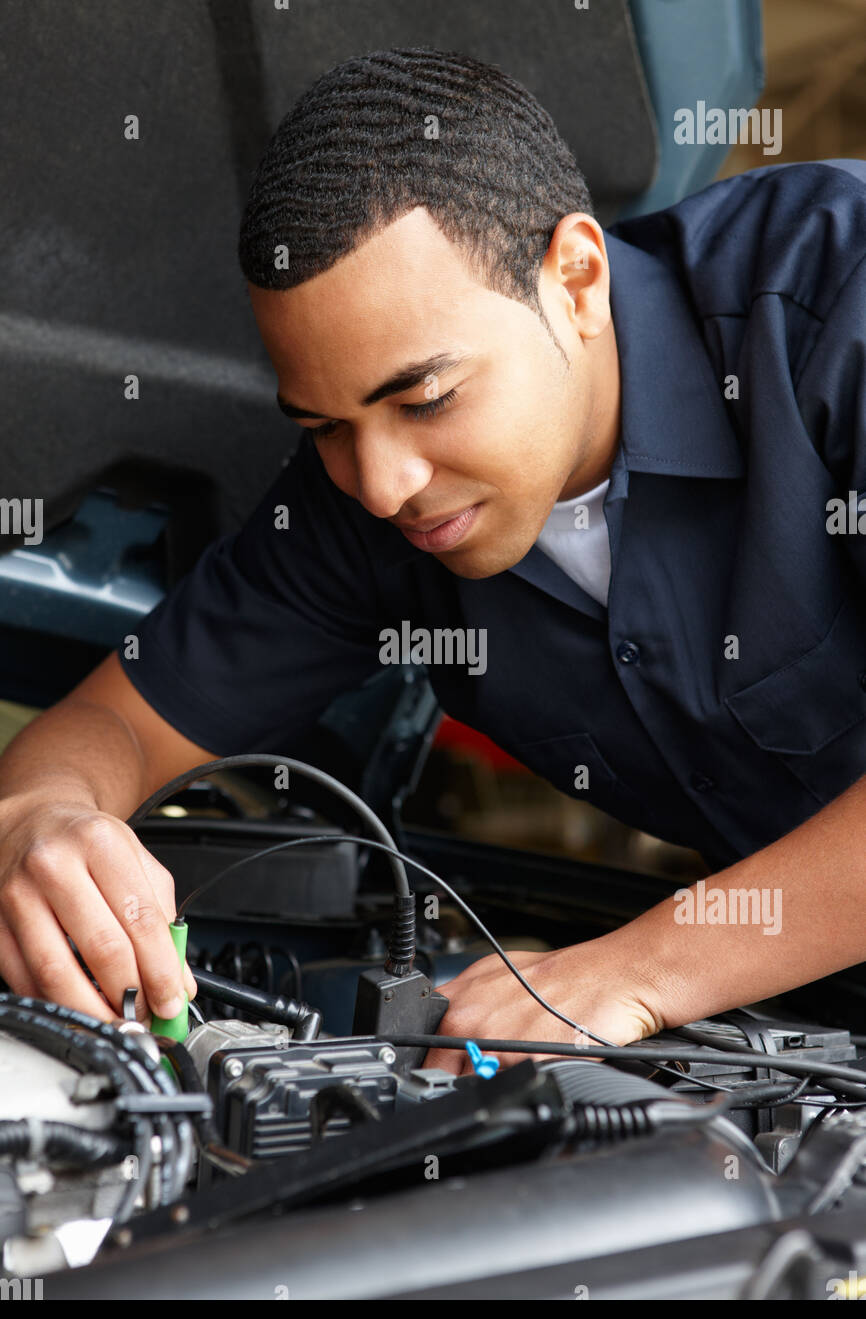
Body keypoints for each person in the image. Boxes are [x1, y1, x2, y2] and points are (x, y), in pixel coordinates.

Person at [1, 48, 865, 1077]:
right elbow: (107, 726)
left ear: (575, 278)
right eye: (326, 425)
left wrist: (640, 969)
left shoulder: (831, 296)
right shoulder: (354, 512)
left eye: (424, 399)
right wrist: (38, 820)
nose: (381, 483)